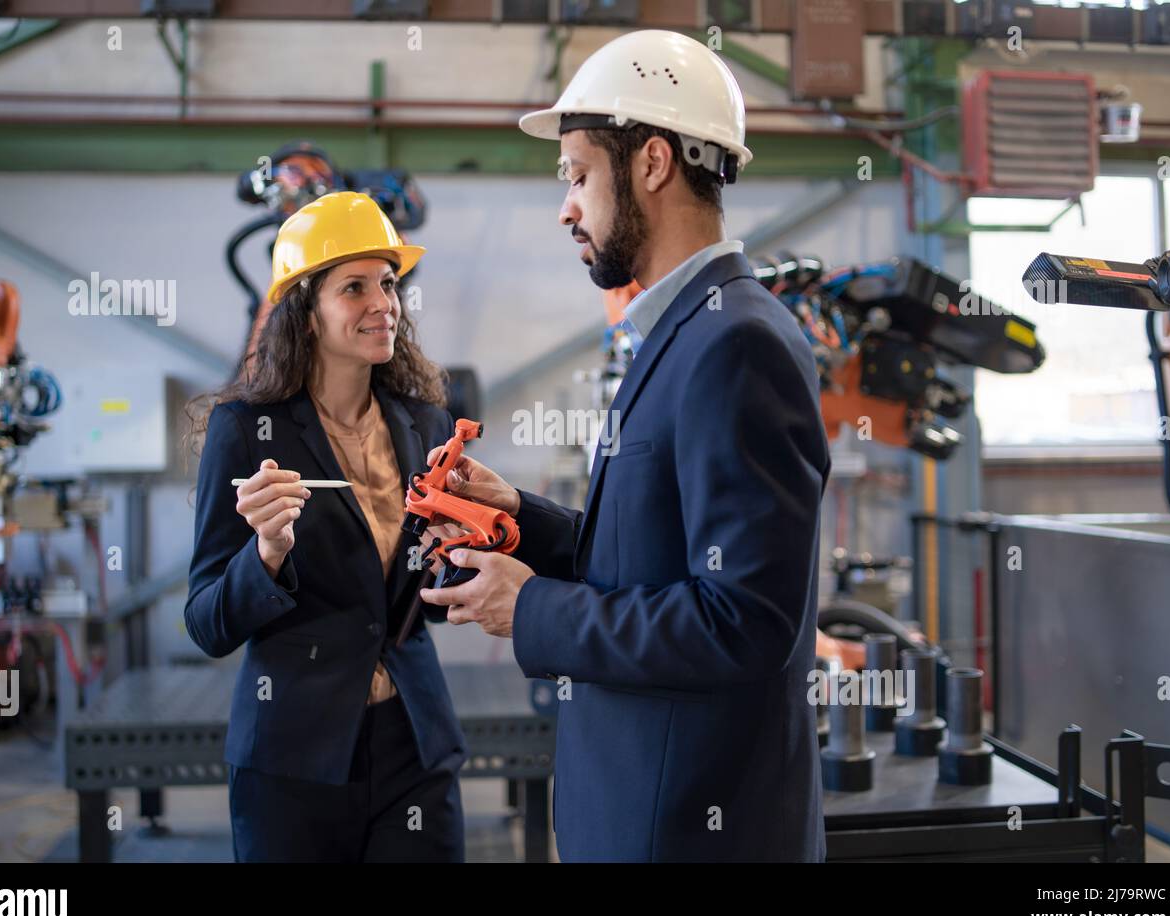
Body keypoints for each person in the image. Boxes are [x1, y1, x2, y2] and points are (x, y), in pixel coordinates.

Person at [420, 30, 832, 861]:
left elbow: (742, 622)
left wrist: (529, 606)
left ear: (650, 163)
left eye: (577, 175)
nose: (565, 205)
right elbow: (662, 560)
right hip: (642, 814)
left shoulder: (735, 344)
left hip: (688, 830)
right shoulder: (682, 332)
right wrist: (522, 518)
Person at [186, 191, 466, 862]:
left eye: (389, 283)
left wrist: (456, 556)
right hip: (293, 759)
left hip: (413, 744)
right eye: (354, 287)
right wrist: (267, 555)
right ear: (305, 315)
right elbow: (207, 622)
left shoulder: (423, 424)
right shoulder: (246, 431)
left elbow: (422, 604)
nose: (383, 303)